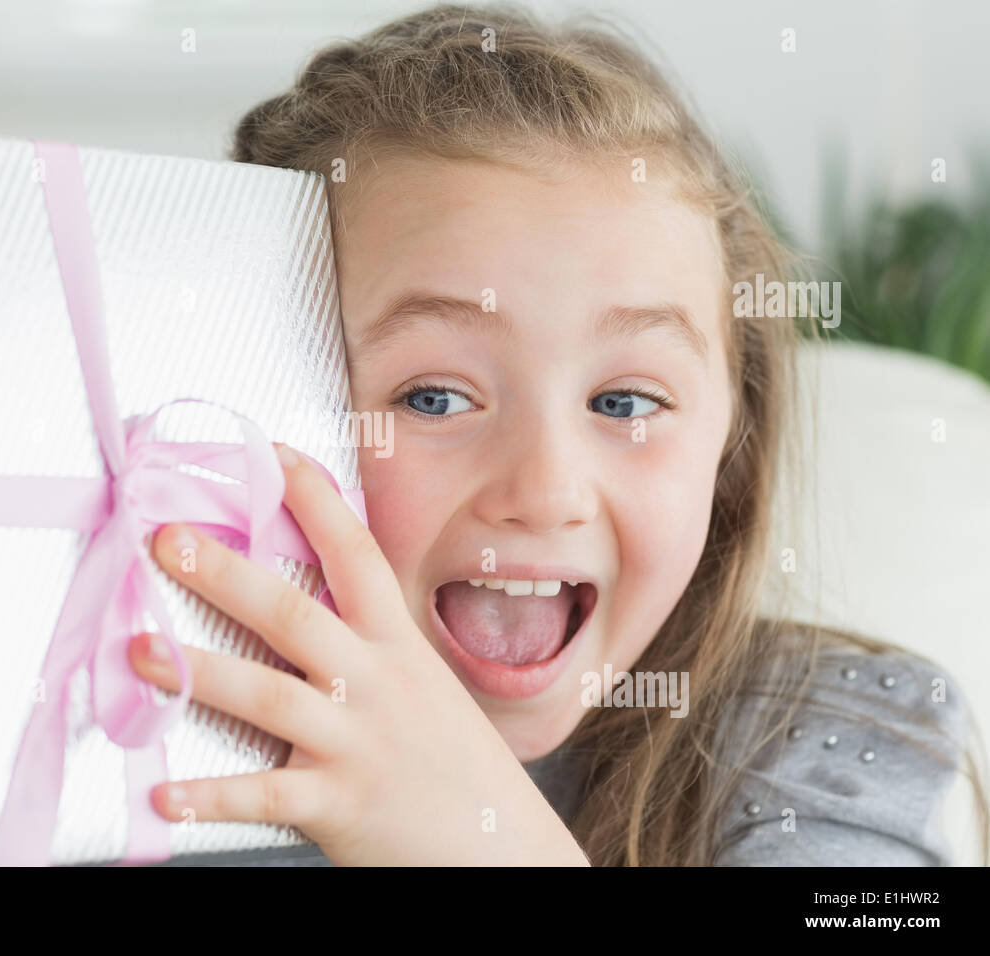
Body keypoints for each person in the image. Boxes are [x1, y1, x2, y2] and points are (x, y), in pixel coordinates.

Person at [130, 2, 988, 866]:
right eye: (432, 398)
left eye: (623, 404)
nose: (544, 493)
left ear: (729, 443)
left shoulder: (839, 745)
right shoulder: (150, 739)